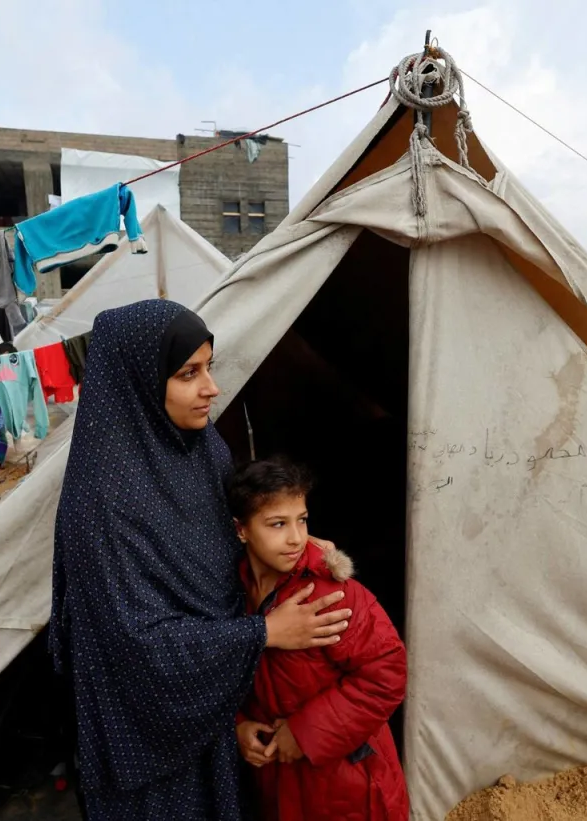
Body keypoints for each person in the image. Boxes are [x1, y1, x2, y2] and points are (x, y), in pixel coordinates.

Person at [49, 301, 352, 820]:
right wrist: (264, 634)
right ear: (139, 383)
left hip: (213, 710)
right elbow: (133, 646)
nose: (211, 387)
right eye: (189, 374)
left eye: (209, 367)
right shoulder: (102, 502)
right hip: (145, 744)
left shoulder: (203, 450)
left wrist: (282, 537)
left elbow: (227, 541)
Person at [230, 458, 409, 821]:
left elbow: (387, 673)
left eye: (302, 519)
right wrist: (239, 725)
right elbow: (225, 669)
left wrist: (305, 733)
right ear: (241, 530)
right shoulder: (229, 592)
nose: (296, 537)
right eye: (277, 524)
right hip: (276, 780)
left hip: (347, 784)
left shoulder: (329, 593)